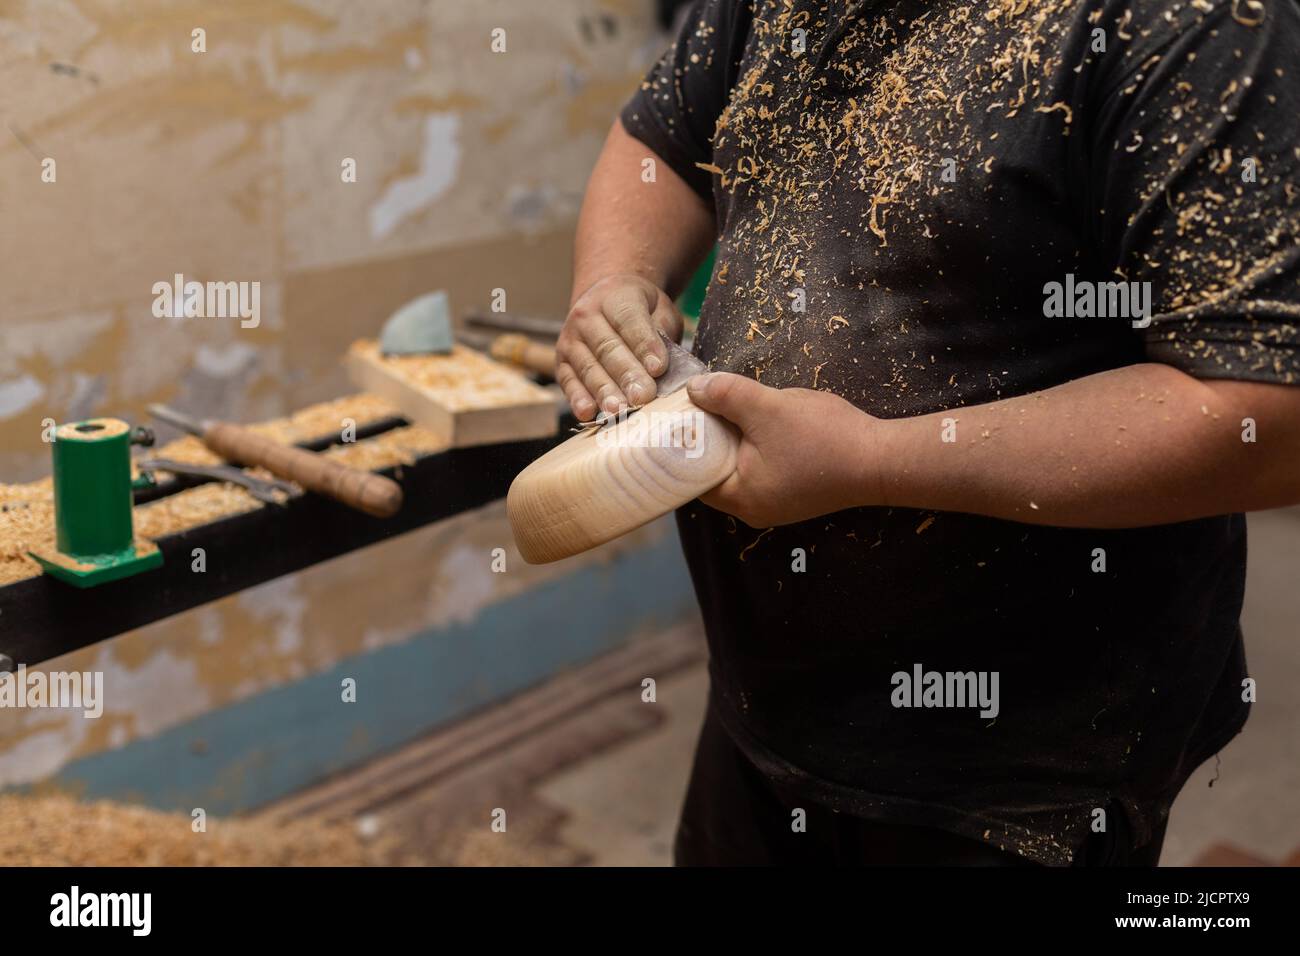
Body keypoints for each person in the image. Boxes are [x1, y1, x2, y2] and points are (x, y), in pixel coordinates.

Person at [555, 0, 1300, 865]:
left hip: (1020, 772)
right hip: (767, 704)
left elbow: (1266, 415)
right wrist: (615, 279)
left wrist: (874, 461)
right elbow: (661, 145)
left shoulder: (1193, 26)